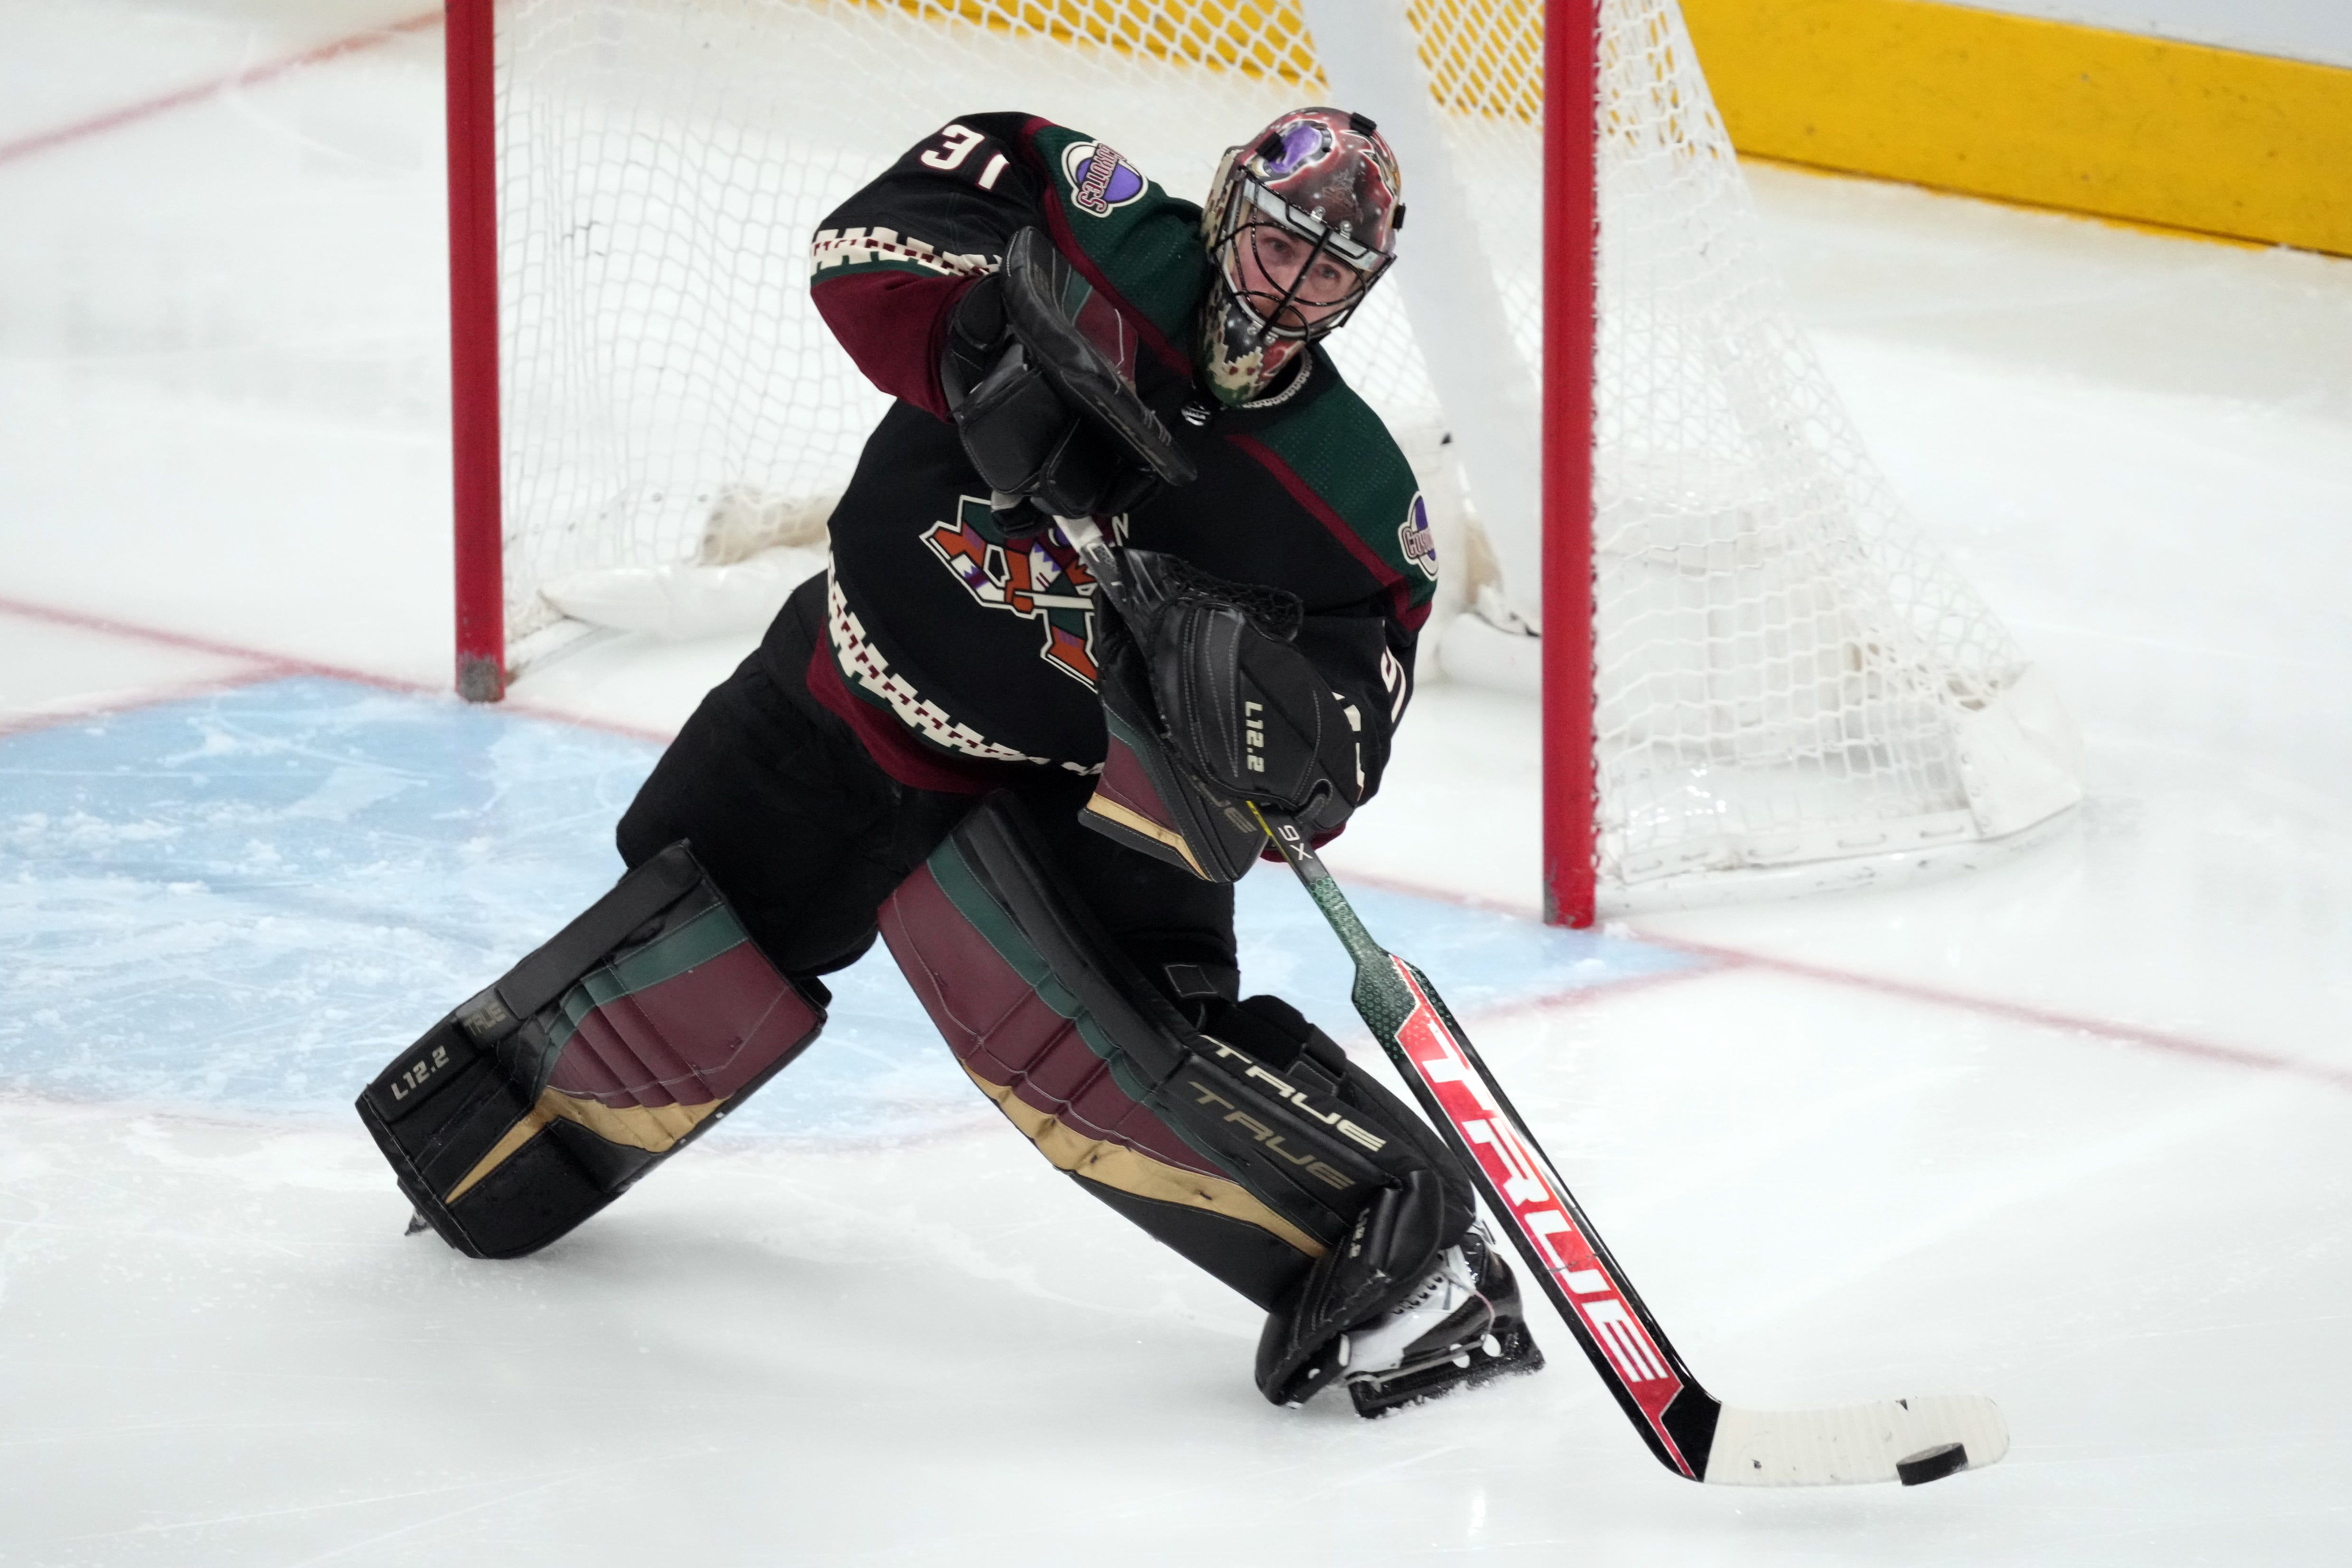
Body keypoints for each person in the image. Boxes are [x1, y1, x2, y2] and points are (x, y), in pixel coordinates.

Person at [361, 108, 1540, 1418]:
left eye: (1328, 268)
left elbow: (1336, 752)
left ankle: (1415, 1262)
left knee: (1101, 1058)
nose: (1289, 283)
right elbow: (866, 240)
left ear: (1359, 291)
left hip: (1067, 801)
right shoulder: (1097, 225)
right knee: (686, 939)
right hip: (847, 680)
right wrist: (989, 353)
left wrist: (1230, 693)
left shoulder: (1354, 495)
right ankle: (493, 1165)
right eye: (1276, 244)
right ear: (1225, 211)